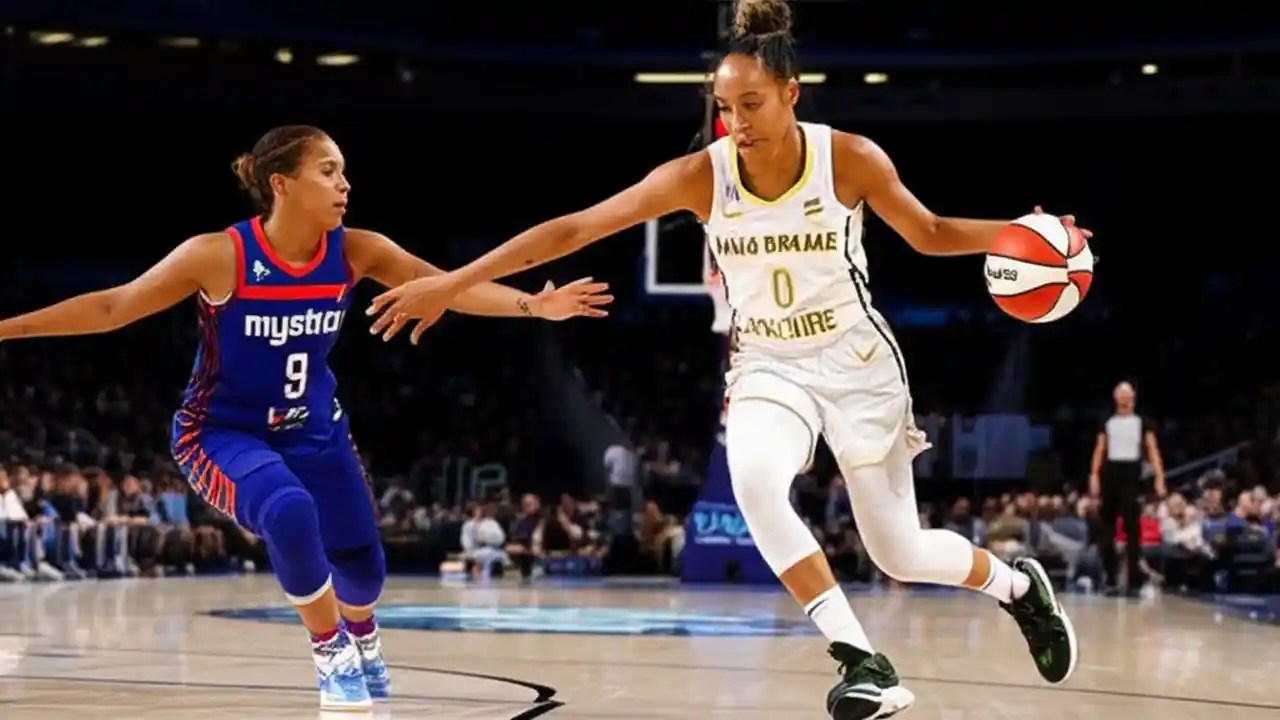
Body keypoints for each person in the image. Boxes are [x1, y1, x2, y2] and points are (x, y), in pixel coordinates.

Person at [369, 1, 1085, 716]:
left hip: (857, 364)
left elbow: (928, 232)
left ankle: (1019, 587)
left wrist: (1030, 233)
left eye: (751, 104)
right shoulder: (700, 175)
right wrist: (452, 282)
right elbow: (573, 229)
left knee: (899, 553)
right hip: (768, 363)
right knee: (755, 483)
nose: (736, 121)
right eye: (724, 106)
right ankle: (861, 659)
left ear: (791, 94)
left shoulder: (850, 158)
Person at [0, 125, 612, 710]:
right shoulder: (220, 255)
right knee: (287, 510)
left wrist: (535, 305)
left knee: (364, 571)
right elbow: (112, 307)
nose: (346, 184)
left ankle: (363, 634)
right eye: (328, 171)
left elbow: (445, 285)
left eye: (345, 172)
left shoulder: (356, 250)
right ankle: (331, 653)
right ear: (282, 184)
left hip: (317, 428)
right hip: (222, 432)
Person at [1090, 381, 1165, 595]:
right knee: (1106, 530)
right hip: (1111, 475)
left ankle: (1133, 581)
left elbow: (1152, 450)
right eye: (1120, 395)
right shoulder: (1107, 421)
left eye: (1127, 395)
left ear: (1133, 398)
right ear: (1116, 398)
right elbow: (1099, 449)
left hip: (1132, 476)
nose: (1124, 399)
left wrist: (1159, 478)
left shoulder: (1143, 422)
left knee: (1133, 531)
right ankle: (1111, 577)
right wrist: (1094, 475)